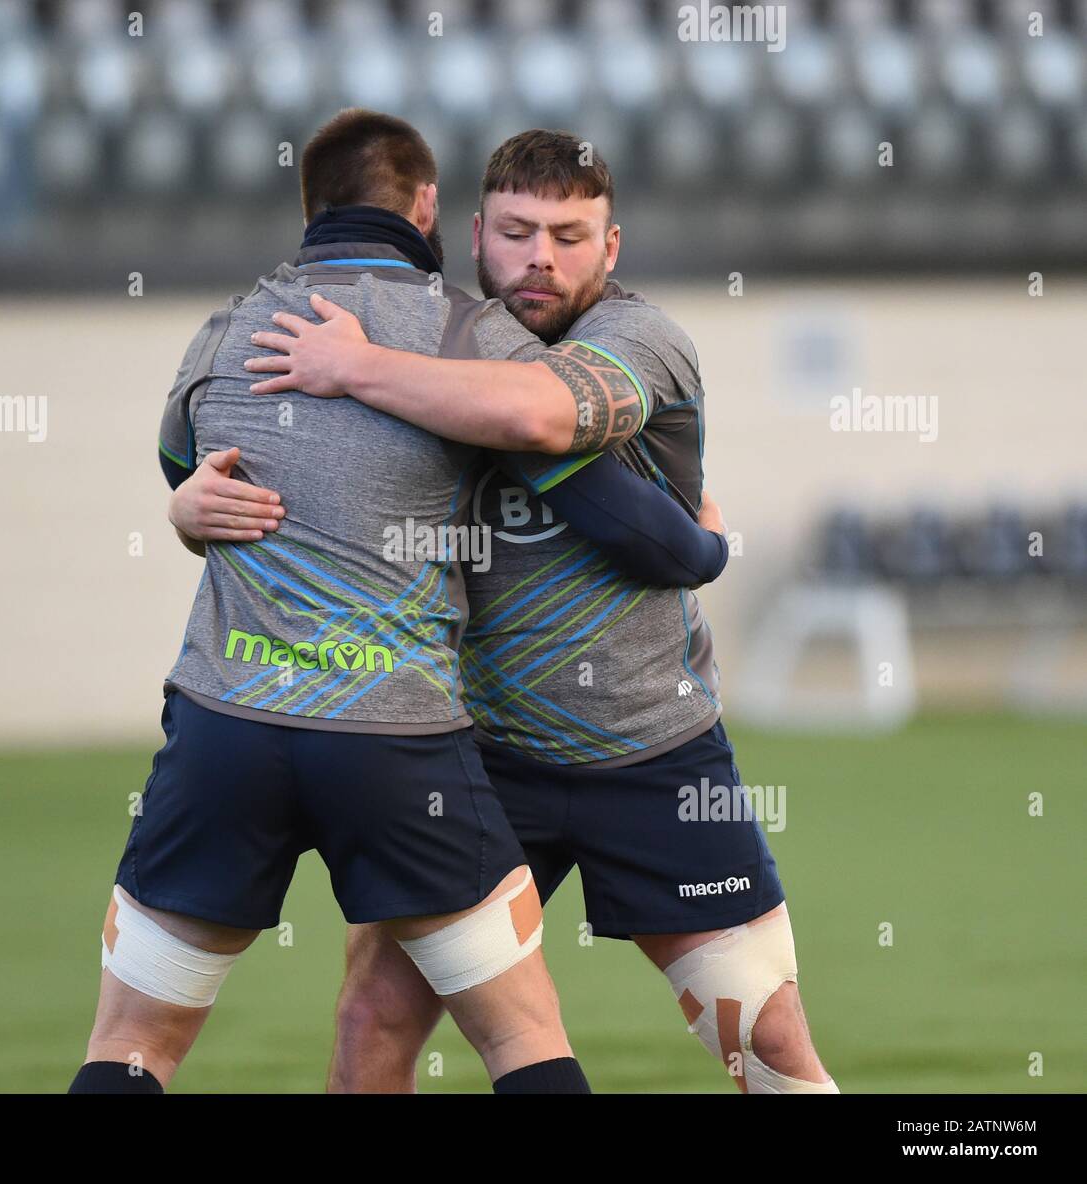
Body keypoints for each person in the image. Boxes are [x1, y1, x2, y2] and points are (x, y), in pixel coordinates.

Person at [176, 129, 837, 1094]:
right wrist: (189, 508)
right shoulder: (433, 337)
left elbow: (540, 414)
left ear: (612, 248)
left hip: (650, 749)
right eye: (519, 232)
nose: (541, 258)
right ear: (472, 233)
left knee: (766, 1038)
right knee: (373, 1021)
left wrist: (355, 367)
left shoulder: (642, 340)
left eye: (570, 236)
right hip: (477, 761)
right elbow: (297, 492)